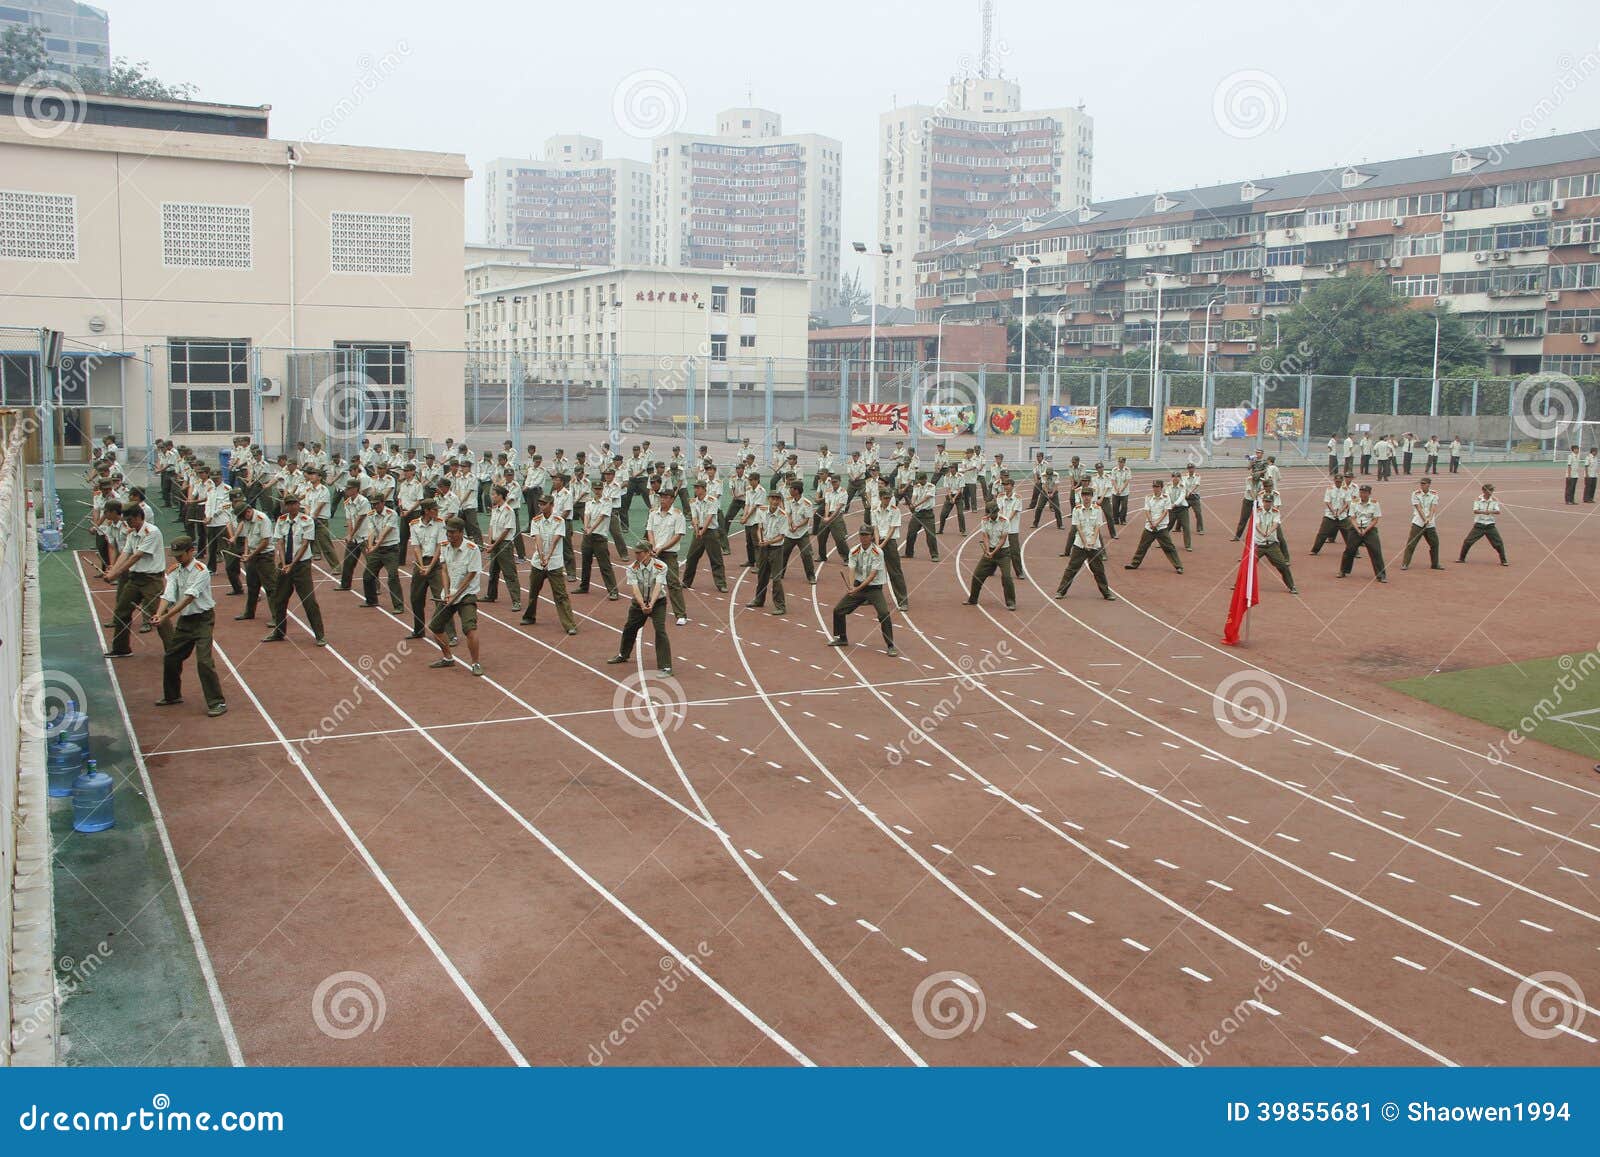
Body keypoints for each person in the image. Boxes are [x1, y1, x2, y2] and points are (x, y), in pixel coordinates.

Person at [149, 535, 226, 716]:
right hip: (185, 621)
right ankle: (172, 695)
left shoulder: (201, 571)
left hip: (203, 620)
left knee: (204, 662)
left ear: (191, 551)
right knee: (171, 658)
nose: (177, 559)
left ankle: (217, 702)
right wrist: (158, 614)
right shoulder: (175, 571)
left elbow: (189, 597)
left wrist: (166, 616)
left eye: (181, 555)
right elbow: (168, 595)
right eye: (175, 556)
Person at [101, 505, 167, 657]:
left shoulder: (152, 532)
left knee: (159, 616)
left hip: (152, 580)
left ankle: (173, 649)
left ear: (139, 517)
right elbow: (124, 554)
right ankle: (121, 648)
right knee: (121, 611)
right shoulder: (132, 534)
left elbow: (136, 556)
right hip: (135, 579)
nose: (128, 523)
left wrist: (115, 574)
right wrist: (112, 570)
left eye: (130, 520)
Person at [264, 495, 327, 645]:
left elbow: (305, 544)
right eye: (288, 504)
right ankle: (279, 632)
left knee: (309, 601)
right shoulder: (281, 520)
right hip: (285, 564)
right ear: (285, 506)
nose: (291, 507)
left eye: (294, 504)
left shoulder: (307, 521)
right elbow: (280, 542)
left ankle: (320, 635)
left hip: (301, 566)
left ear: (299, 505)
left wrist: (291, 565)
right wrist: (283, 562)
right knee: (279, 600)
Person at [826, 525, 898, 654]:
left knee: (884, 613)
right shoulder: (854, 551)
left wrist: (856, 588)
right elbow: (852, 569)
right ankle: (842, 638)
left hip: (874, 589)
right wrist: (852, 586)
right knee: (838, 610)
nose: (863, 537)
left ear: (871, 537)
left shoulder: (878, 552)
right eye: (861, 535)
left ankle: (890, 645)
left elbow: (872, 575)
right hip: (859, 586)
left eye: (866, 535)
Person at [428, 519, 484, 675]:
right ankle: (448, 658)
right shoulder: (445, 547)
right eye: (448, 531)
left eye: (452, 532)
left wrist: (455, 595)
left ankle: (475, 663)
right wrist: (446, 593)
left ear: (461, 532)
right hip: (450, 594)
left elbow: (471, 576)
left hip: (466, 594)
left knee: (469, 629)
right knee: (435, 626)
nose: (449, 534)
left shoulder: (472, 549)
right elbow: (444, 570)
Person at [608, 542, 673, 675]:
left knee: (660, 631)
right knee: (629, 627)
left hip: (658, 602)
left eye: (639, 553)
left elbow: (658, 586)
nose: (636, 555)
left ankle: (666, 667)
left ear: (648, 552)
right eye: (635, 552)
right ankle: (623, 654)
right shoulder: (632, 568)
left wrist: (651, 604)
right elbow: (635, 589)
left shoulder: (661, 566)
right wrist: (643, 605)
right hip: (639, 603)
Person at [521, 496, 578, 635]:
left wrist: (548, 557)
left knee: (561, 595)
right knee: (533, 592)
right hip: (538, 563)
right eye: (540, 503)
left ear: (551, 505)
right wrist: (542, 557)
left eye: (544, 504)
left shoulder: (559, 521)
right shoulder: (536, 520)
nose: (541, 506)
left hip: (554, 564)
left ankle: (570, 624)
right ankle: (529, 616)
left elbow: (555, 540)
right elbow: (538, 539)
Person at [1056, 490, 1115, 601]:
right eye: (1084, 495)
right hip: (1080, 544)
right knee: (1071, 569)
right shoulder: (1077, 510)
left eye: (1088, 495)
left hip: (1094, 544)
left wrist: (1092, 541)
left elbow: (1098, 526)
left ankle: (1106, 593)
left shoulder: (1097, 509)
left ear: (1092, 497)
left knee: (1099, 571)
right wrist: (1085, 542)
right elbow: (1078, 527)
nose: (1086, 497)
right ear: (1081, 497)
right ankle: (1060, 591)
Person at [646, 487, 690, 625]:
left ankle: (681, 614)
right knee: (651, 582)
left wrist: (661, 548)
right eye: (661, 497)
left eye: (665, 498)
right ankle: (650, 609)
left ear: (672, 499)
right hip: (654, 552)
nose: (662, 500)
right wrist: (653, 546)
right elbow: (650, 530)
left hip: (669, 553)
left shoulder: (678, 515)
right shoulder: (653, 513)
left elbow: (678, 535)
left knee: (673, 583)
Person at [965, 504, 1017, 610]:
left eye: (992, 513)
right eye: (988, 513)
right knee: (977, 575)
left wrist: (993, 553)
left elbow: (1003, 539)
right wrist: (988, 550)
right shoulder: (984, 520)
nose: (990, 516)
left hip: (1003, 553)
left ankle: (1011, 602)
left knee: (1006, 577)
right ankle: (973, 599)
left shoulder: (1004, 521)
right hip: (990, 551)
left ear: (996, 512)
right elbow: (985, 536)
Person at [1125, 479, 1183, 573]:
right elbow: (1147, 510)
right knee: (1142, 546)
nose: (1155, 489)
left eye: (1157, 487)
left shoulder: (1166, 497)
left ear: (1161, 488)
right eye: (1154, 487)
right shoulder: (1148, 497)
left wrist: (1157, 523)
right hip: (1149, 527)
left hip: (1161, 528)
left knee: (1169, 547)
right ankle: (1134, 563)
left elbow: (1165, 512)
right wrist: (1151, 522)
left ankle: (1178, 566)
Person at [361, 492, 407, 612]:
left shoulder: (391, 514)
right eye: (373, 504)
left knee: (393, 577)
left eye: (376, 504)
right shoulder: (371, 515)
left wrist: (373, 547)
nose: (374, 506)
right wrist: (370, 546)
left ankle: (399, 606)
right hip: (377, 550)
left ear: (382, 503)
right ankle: (371, 600)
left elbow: (383, 533)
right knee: (367, 576)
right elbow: (371, 531)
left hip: (390, 549)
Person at [746, 491, 790, 615]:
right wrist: (760, 539)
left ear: (780, 501)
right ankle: (759, 599)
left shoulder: (783, 515)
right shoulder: (762, 510)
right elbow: (760, 527)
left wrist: (768, 542)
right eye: (773, 499)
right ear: (768, 499)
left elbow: (781, 536)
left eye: (777, 499)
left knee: (776, 578)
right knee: (762, 575)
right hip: (764, 548)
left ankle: (780, 606)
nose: (775, 501)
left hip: (776, 549)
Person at [681, 480, 727, 594]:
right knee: (691, 557)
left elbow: (709, 517)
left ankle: (721, 584)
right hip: (698, 531)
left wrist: (703, 531)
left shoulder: (713, 500)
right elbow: (694, 517)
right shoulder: (693, 501)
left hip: (710, 531)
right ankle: (686, 581)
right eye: (695, 488)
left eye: (697, 488)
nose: (695, 490)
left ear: (703, 489)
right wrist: (697, 530)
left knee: (716, 559)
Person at [577, 480, 621, 599]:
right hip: (588, 537)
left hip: (599, 537)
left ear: (603, 489)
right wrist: (586, 527)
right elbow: (586, 515)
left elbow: (602, 517)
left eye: (599, 489)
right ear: (592, 489)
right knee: (585, 563)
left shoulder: (607, 502)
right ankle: (584, 586)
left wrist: (590, 529)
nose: (598, 491)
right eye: (596, 489)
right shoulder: (589, 502)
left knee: (605, 566)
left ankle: (613, 591)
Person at [481, 485, 522, 611]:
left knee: (509, 573)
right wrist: (489, 543)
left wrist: (494, 545)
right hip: (495, 543)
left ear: (500, 496)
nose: (492, 496)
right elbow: (491, 526)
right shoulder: (495, 509)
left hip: (504, 544)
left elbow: (506, 530)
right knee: (493, 572)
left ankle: (516, 601)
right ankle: (491, 595)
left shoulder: (508, 510)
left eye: (494, 494)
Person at [1338, 484, 1387, 582]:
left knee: (1376, 551)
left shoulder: (1375, 503)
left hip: (1370, 529)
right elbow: (1352, 518)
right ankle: (1343, 570)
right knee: (1349, 550)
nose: (1362, 494)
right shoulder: (1354, 503)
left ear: (1369, 493)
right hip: (1356, 529)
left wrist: (1365, 530)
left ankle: (1381, 575)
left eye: (1365, 492)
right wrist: (1358, 529)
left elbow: (1375, 519)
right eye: (1361, 492)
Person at [1458, 482, 1509, 566]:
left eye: (1492, 490)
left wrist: (1490, 512)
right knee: (1468, 541)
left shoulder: (1494, 500)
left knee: (1498, 543)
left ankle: (1504, 561)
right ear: (1484, 491)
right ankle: (1461, 558)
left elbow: (1498, 511)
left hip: (1490, 525)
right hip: (1479, 525)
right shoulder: (1478, 499)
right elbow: (1475, 510)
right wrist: (1484, 512)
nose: (1491, 492)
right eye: (1490, 490)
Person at [1400, 476, 1444, 570]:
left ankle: (1435, 564)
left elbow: (1433, 507)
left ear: (1429, 485)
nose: (1422, 485)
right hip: (1418, 522)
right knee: (1411, 543)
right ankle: (1405, 563)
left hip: (1430, 523)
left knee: (1435, 543)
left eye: (1424, 484)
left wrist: (1430, 518)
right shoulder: (1415, 494)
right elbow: (1418, 508)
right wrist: (1425, 519)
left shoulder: (1434, 494)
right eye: (1421, 484)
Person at [1252, 501, 1298, 594]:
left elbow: (1275, 524)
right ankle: (1238, 584)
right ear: (1263, 502)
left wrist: (1269, 532)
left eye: (1269, 502)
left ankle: (1291, 586)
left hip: (1272, 545)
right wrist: (1262, 532)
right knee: (1248, 565)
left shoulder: (1275, 512)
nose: (1267, 504)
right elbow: (1256, 525)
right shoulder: (1257, 511)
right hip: (1259, 544)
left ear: (1272, 503)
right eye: (1266, 502)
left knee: (1283, 566)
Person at [1310, 474, 1353, 556]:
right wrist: (1333, 511)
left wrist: (1340, 512)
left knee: (1349, 534)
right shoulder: (1329, 489)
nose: (1338, 483)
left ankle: (1354, 551)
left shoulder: (1346, 490)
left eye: (1340, 482)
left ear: (1342, 482)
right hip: (1330, 515)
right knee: (1322, 533)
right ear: (1334, 481)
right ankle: (1315, 550)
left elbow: (1347, 503)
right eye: (1337, 481)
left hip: (1342, 516)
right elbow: (1327, 501)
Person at [903, 473, 942, 560]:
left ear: (925, 479)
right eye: (919, 480)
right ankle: (909, 553)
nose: (920, 481)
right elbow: (914, 496)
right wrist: (912, 503)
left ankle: (935, 555)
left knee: (931, 535)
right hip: (918, 514)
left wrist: (915, 505)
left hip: (928, 514)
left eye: (921, 480)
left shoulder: (931, 486)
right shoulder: (917, 486)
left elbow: (926, 498)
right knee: (911, 533)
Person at [996, 475, 1025, 581]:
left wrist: (1005, 522)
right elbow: (999, 510)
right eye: (1004, 485)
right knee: (996, 548)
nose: (1005, 487)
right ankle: (990, 569)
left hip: (1012, 529)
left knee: (1015, 552)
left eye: (1008, 485)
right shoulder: (1000, 497)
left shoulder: (1017, 498)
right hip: (1001, 528)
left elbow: (1014, 513)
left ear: (1012, 486)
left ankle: (1019, 572)